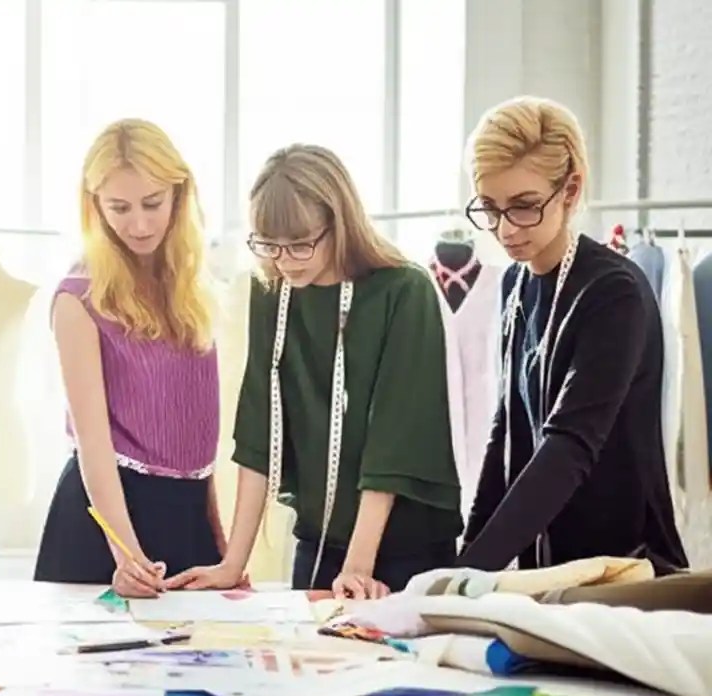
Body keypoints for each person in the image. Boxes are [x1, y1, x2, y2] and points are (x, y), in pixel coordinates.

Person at [167, 145, 461, 598]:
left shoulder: (404, 291)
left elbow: (393, 444)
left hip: (406, 549)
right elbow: (259, 430)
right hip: (319, 544)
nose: (285, 260)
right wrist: (232, 564)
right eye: (269, 245)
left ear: (339, 222)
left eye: (301, 243)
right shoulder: (272, 291)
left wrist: (358, 568)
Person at [455, 96, 688, 573]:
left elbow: (570, 445)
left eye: (523, 207)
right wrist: (461, 569)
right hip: (548, 576)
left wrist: (471, 572)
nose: (505, 229)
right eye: (490, 209)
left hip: (623, 573)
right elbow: (507, 436)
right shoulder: (515, 286)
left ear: (570, 190)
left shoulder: (613, 293)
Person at [30, 119, 226, 599]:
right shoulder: (78, 299)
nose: (138, 224)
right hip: (106, 526)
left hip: (186, 515)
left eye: (152, 203)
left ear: (179, 196)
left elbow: (195, 435)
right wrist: (127, 557)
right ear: (94, 205)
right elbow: (93, 447)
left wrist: (219, 539)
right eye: (119, 207)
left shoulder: (190, 291)